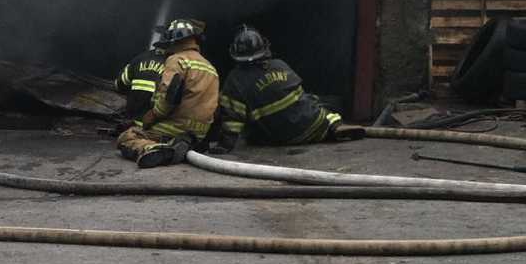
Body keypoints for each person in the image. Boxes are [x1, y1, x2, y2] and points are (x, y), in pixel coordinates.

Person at [212, 25, 364, 150]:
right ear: (264, 48)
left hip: (280, 136)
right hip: (312, 124)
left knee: (251, 135)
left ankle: (331, 128)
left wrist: (224, 145)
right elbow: (301, 95)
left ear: (236, 54)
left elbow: (233, 120)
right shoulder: (280, 65)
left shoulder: (235, 81)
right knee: (316, 103)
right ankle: (334, 126)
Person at [115, 17, 218, 168]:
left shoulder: (177, 60)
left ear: (173, 40)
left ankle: (153, 149)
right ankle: (184, 144)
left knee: (127, 137)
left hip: (174, 127)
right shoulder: (210, 67)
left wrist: (153, 115)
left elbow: (169, 95)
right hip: (200, 133)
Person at [114, 26, 169, 124]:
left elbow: (119, 84)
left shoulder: (140, 58)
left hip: (129, 119)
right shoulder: (173, 63)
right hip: (152, 122)